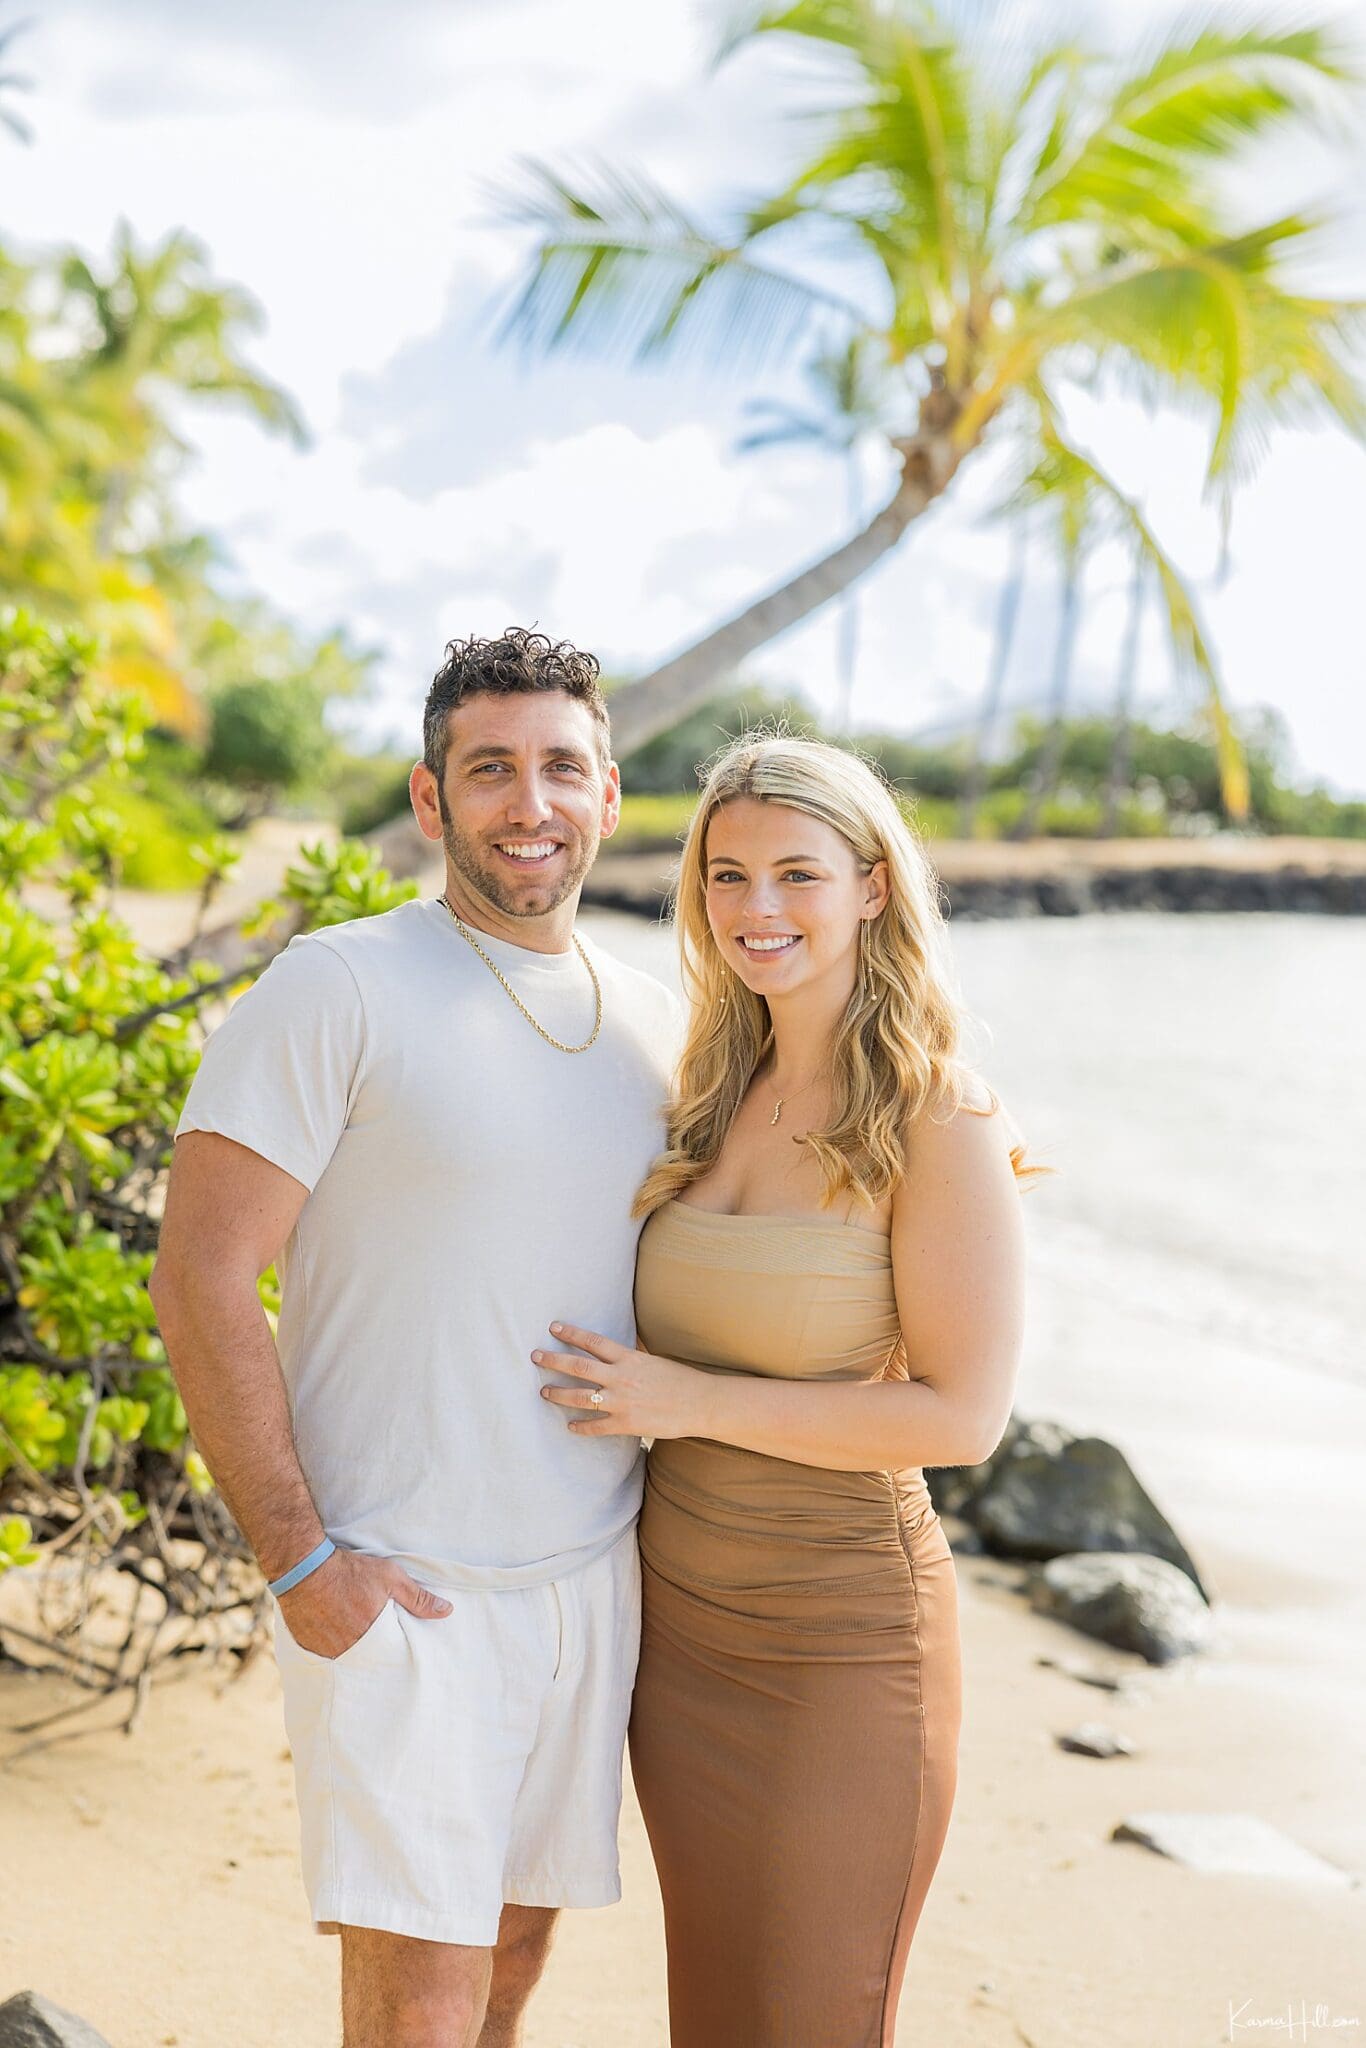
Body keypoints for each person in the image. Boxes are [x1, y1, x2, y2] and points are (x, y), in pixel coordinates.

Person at [148, 628, 682, 2048]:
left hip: (591, 1579)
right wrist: (298, 1558)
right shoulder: (338, 985)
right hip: (400, 1585)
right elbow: (201, 1276)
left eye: (561, 768)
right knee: (422, 2009)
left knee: (510, 1960)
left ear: (610, 795)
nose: (531, 803)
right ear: (431, 797)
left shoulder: (655, 1024)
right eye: (490, 769)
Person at [535, 732, 1037, 2048]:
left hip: (842, 1643)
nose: (756, 910)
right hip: (681, 1639)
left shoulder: (938, 1115)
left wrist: (682, 1402)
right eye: (726, 875)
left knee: (816, 2020)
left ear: (872, 886)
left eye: (797, 875)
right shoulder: (701, 1090)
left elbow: (960, 1417)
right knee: (711, 2015)